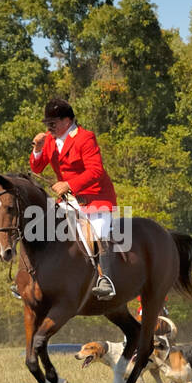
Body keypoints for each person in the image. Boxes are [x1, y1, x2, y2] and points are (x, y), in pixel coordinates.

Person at [30, 98, 119, 298]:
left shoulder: (85, 138)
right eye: (47, 124)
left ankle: (106, 280)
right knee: (42, 228)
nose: (49, 127)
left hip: (94, 197)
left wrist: (69, 185)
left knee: (97, 233)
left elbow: (96, 170)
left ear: (67, 120)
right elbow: (36, 168)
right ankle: (34, 276)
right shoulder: (50, 140)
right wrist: (37, 149)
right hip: (68, 200)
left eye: (52, 123)